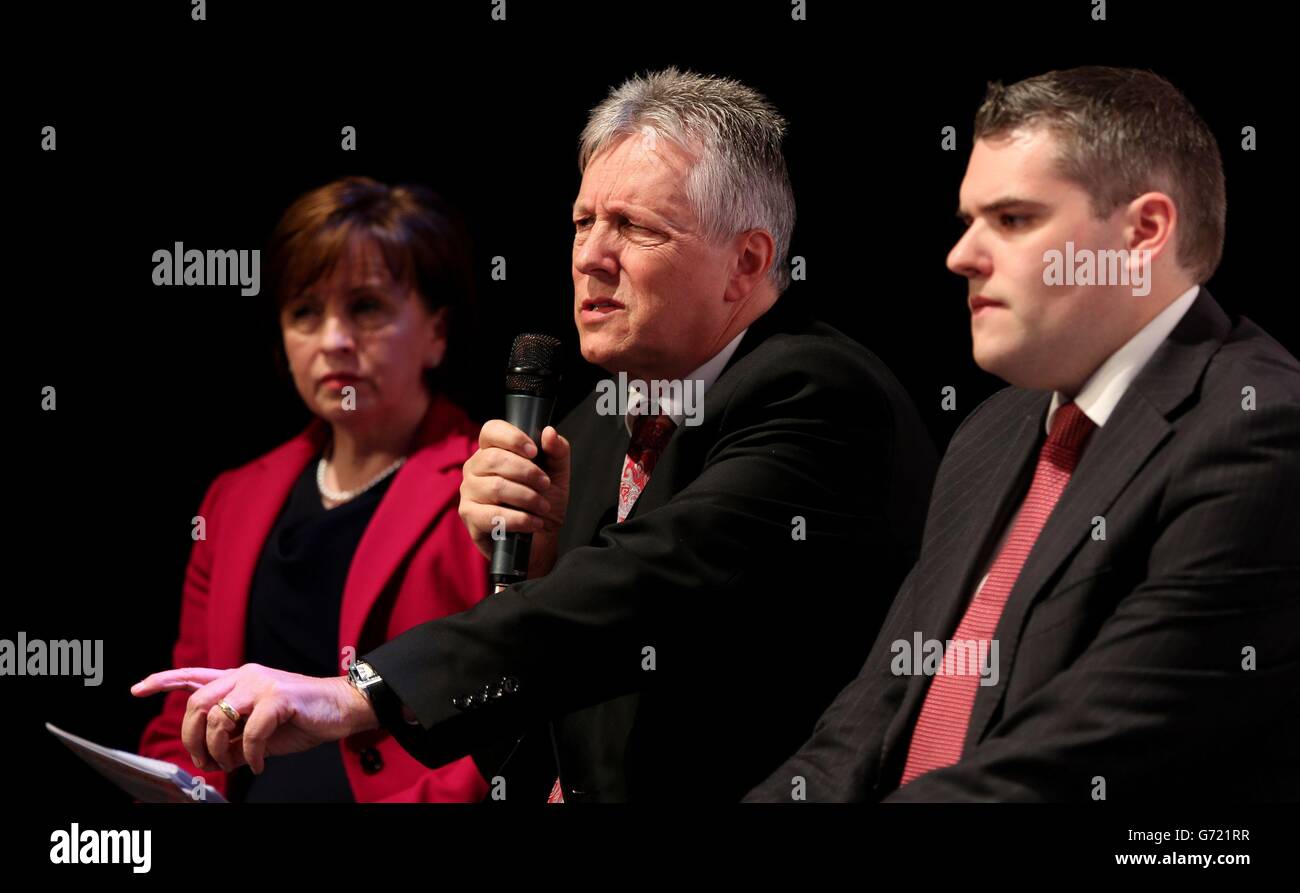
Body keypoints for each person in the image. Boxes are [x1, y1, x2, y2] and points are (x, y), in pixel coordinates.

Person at [132, 68, 938, 802]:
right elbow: (555, 690)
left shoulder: (816, 391)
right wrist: (523, 571)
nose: (592, 256)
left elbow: (646, 589)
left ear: (747, 260)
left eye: (635, 227)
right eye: (583, 221)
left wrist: (354, 693)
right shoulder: (587, 427)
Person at [744, 66, 1300, 802]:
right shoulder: (993, 430)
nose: (961, 256)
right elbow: (867, 718)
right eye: (968, 220)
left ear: (1143, 232)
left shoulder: (1260, 426)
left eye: (1011, 219)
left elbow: (1075, 759)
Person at [136, 177, 491, 802]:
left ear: (436, 332)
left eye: (367, 307)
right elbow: (182, 717)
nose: (333, 340)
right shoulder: (234, 496)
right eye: (305, 312)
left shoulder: (487, 484)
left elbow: (505, 715)